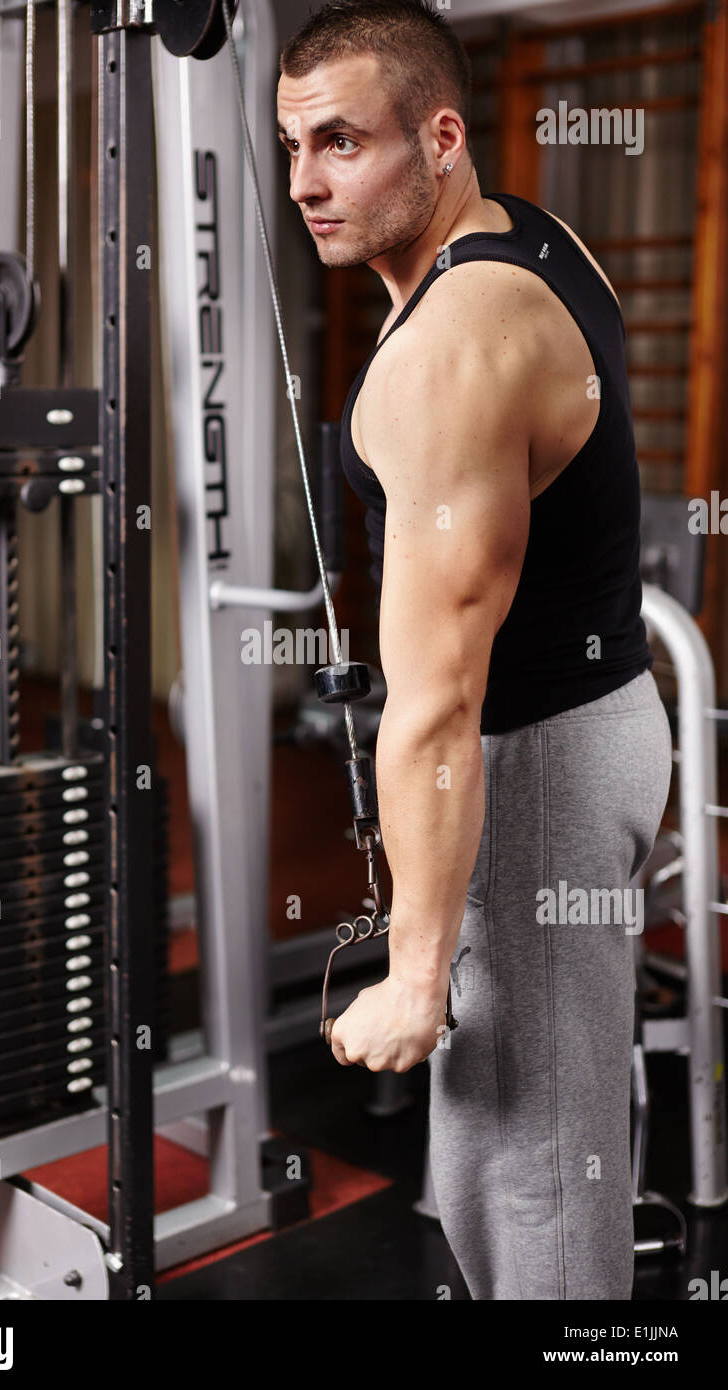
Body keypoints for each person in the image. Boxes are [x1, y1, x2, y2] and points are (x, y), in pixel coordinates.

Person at [277, 0, 673, 1301]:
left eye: (340, 142)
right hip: (587, 719)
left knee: (532, 1177)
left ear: (438, 137)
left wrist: (412, 972)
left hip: (535, 760)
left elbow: (438, 706)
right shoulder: (530, 234)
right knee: (510, 1136)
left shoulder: (451, 349)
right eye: (292, 147)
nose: (305, 184)